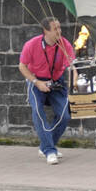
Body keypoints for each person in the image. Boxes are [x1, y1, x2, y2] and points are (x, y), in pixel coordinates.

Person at [17, 17, 78, 164]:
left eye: (59, 27)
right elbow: (22, 66)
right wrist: (36, 82)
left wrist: (74, 79)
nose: (59, 31)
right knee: (38, 112)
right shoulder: (31, 45)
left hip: (57, 82)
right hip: (36, 81)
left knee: (65, 115)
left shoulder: (65, 44)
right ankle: (50, 150)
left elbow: (72, 67)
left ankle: (45, 146)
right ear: (46, 31)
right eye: (55, 28)